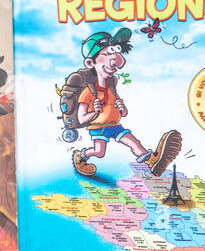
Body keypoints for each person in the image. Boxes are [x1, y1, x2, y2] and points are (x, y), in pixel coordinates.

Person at [64, 28, 182, 177]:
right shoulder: (88, 92)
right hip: (98, 128)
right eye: (105, 54)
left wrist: (122, 108)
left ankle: (152, 161)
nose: (113, 60)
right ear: (90, 62)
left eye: (113, 53)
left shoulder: (111, 87)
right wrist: (94, 112)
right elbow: (81, 118)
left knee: (134, 142)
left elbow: (123, 113)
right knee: (99, 153)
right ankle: (81, 157)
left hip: (114, 125)